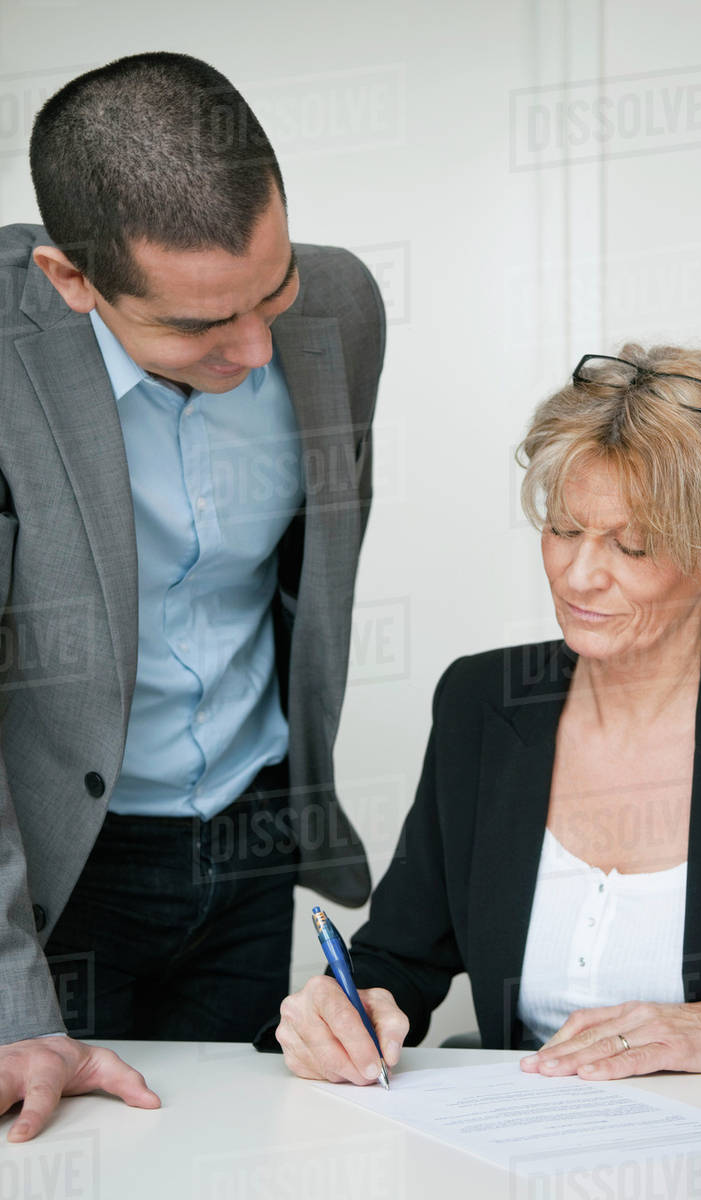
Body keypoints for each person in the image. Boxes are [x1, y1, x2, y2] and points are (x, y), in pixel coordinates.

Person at [0, 52, 384, 1141]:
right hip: (59, 868)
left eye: (271, 292)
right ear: (70, 279)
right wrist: (8, 998)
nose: (255, 348)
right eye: (197, 327)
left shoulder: (344, 304)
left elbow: (310, 569)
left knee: (235, 1155)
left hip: (254, 827)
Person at [277, 345, 701, 1089]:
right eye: (562, 529)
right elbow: (405, 953)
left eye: (632, 545)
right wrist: (352, 1003)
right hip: (521, 1145)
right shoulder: (485, 699)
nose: (579, 575)